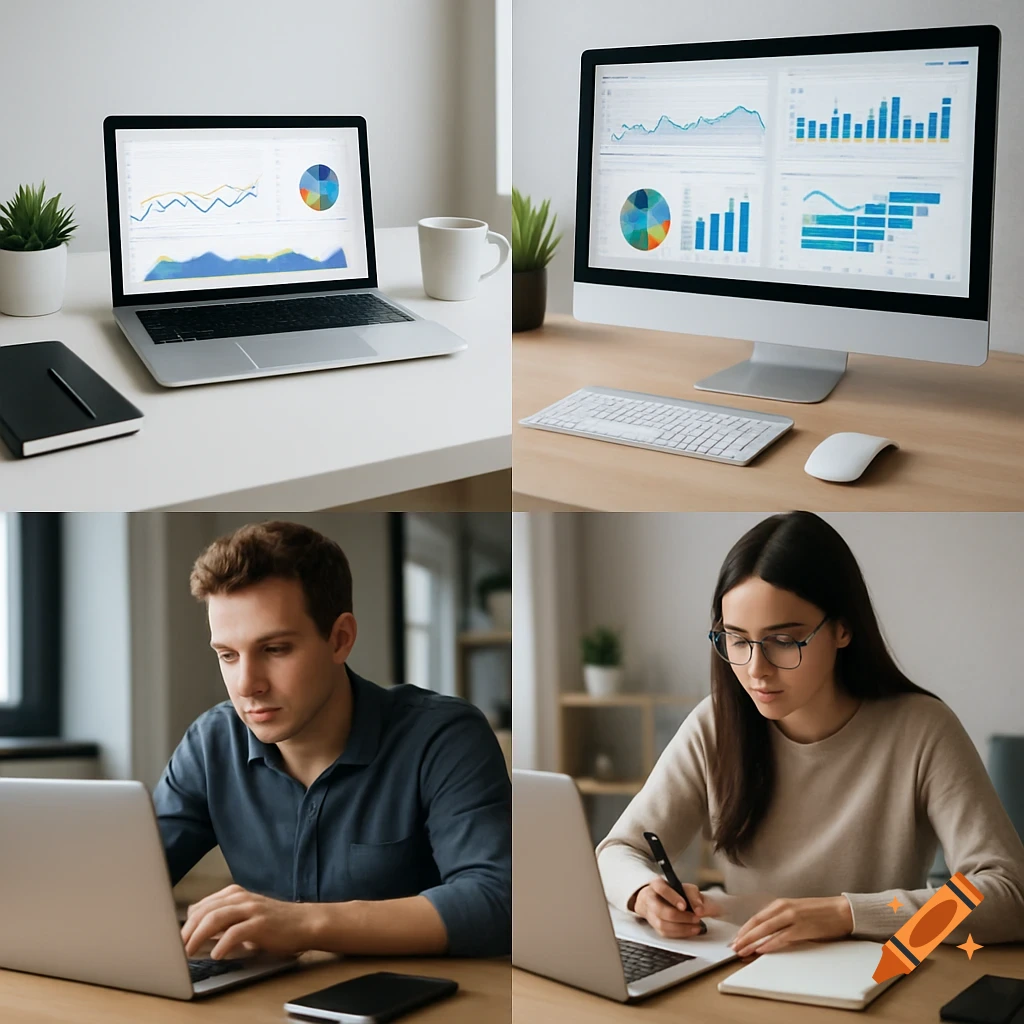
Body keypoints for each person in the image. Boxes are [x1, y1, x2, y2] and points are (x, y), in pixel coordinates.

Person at [597, 510, 1024, 956]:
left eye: (784, 641)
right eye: (738, 640)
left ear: (842, 628)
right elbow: (618, 850)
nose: (755, 671)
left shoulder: (923, 730)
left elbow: (1009, 894)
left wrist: (846, 914)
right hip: (744, 969)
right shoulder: (716, 724)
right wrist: (644, 893)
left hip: (878, 978)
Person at [153, 520, 510, 961]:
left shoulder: (443, 737)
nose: (247, 684)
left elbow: (499, 900)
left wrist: (305, 925)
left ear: (340, 639)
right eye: (228, 655)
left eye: (276, 649)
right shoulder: (211, 743)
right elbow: (126, 880)